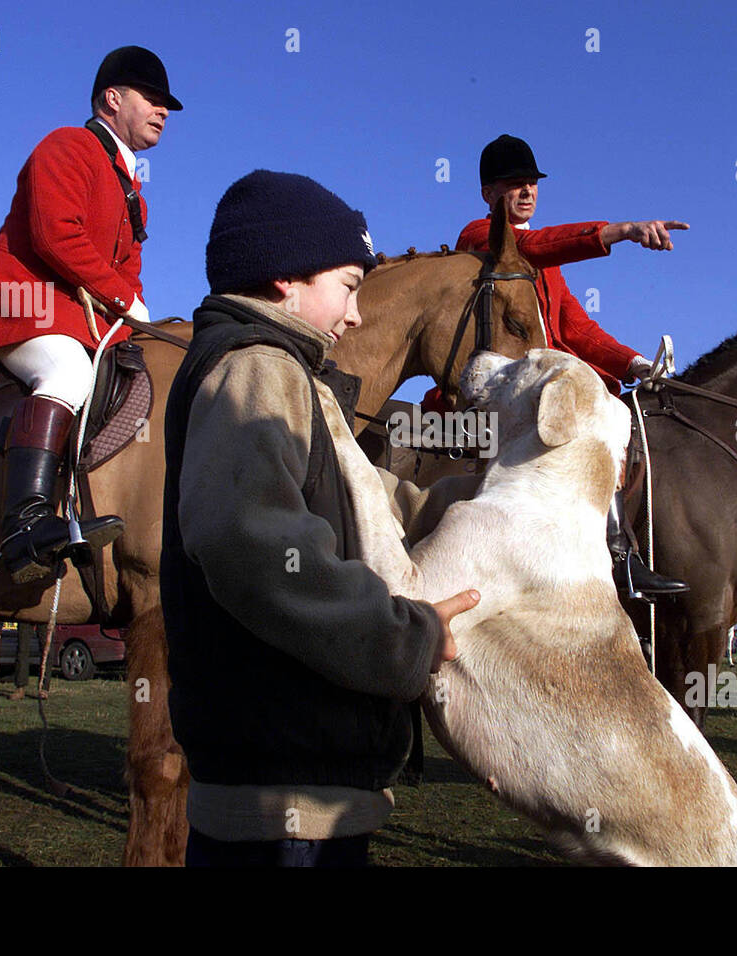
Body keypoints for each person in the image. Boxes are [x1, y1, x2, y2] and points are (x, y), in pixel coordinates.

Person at [162, 170, 480, 868]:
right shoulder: (256, 369)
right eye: (349, 283)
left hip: (304, 795)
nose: (358, 314)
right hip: (281, 807)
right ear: (285, 278)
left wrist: (493, 499)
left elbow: (378, 502)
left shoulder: (297, 377)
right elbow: (252, 545)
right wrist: (402, 638)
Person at [0, 46, 182, 584]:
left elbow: (128, 270)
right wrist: (123, 300)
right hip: (17, 298)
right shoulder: (67, 145)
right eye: (151, 98)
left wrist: (139, 318)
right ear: (112, 98)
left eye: (165, 104)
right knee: (67, 372)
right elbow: (55, 234)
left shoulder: (133, 192)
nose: (163, 111)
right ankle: (24, 526)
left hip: (69, 311)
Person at [442, 134, 690, 599]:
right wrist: (620, 231)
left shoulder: (550, 265)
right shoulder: (479, 236)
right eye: (514, 184)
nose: (528, 191)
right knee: (603, 411)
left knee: (622, 405)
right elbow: (530, 245)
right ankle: (620, 558)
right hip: (499, 376)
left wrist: (636, 364)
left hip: (547, 374)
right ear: (487, 195)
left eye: (532, 183)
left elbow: (576, 329)